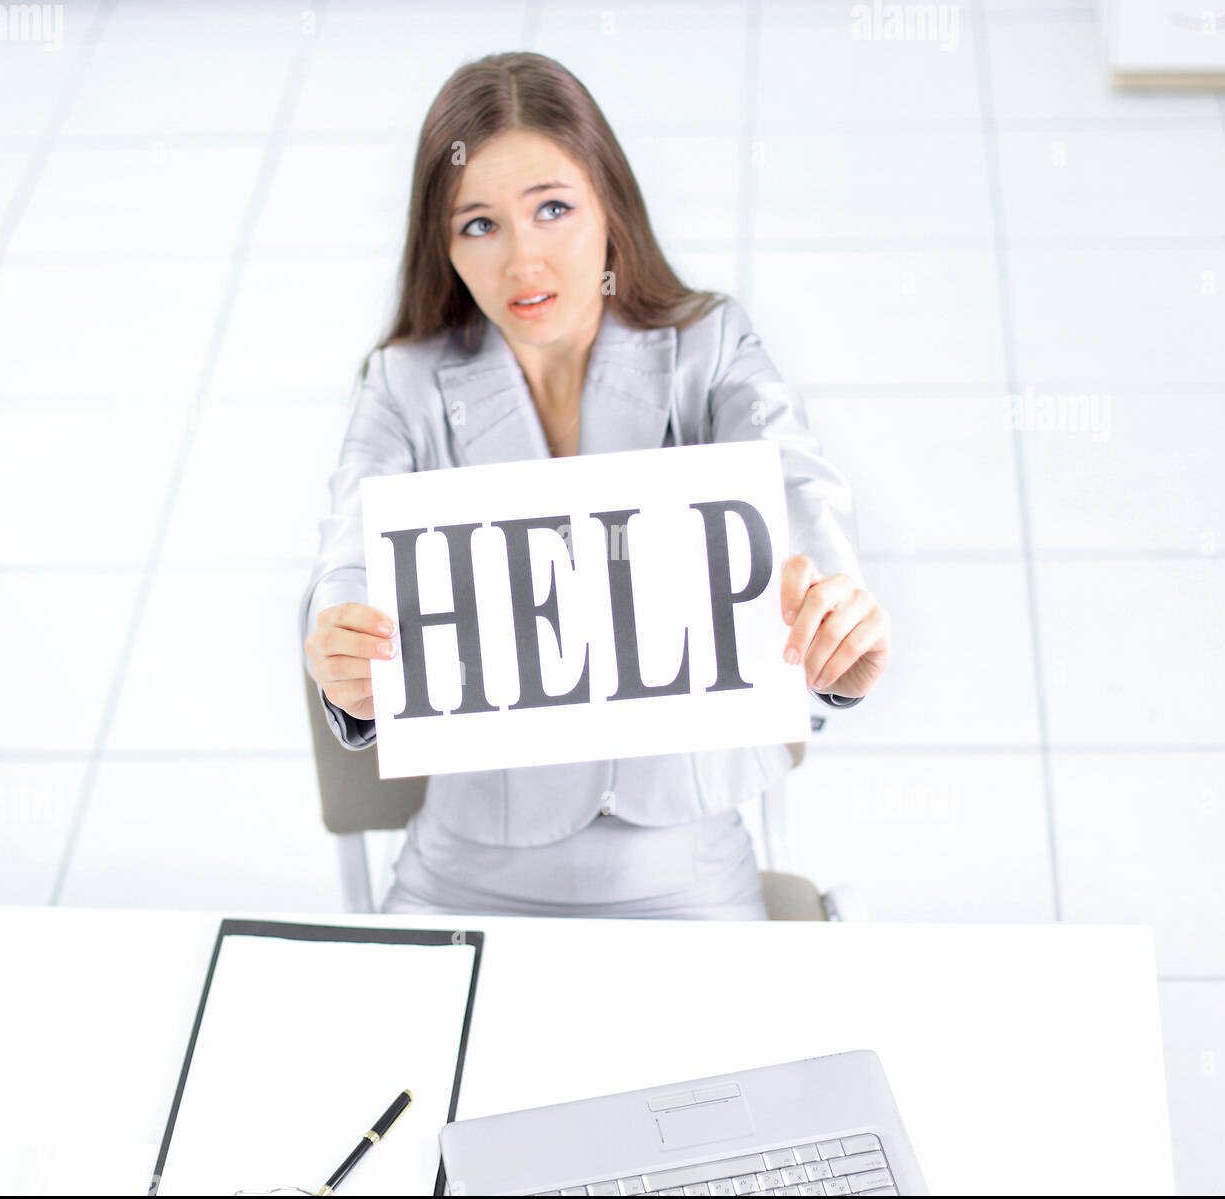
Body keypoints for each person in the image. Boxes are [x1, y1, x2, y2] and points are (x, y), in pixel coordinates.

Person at [300, 52, 891, 920]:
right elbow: (352, 541)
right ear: (444, 245)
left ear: (609, 204)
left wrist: (837, 608)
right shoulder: (406, 382)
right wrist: (339, 645)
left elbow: (790, 480)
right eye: (479, 225)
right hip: (465, 870)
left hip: (683, 867)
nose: (522, 261)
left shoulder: (710, 347)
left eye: (552, 209)